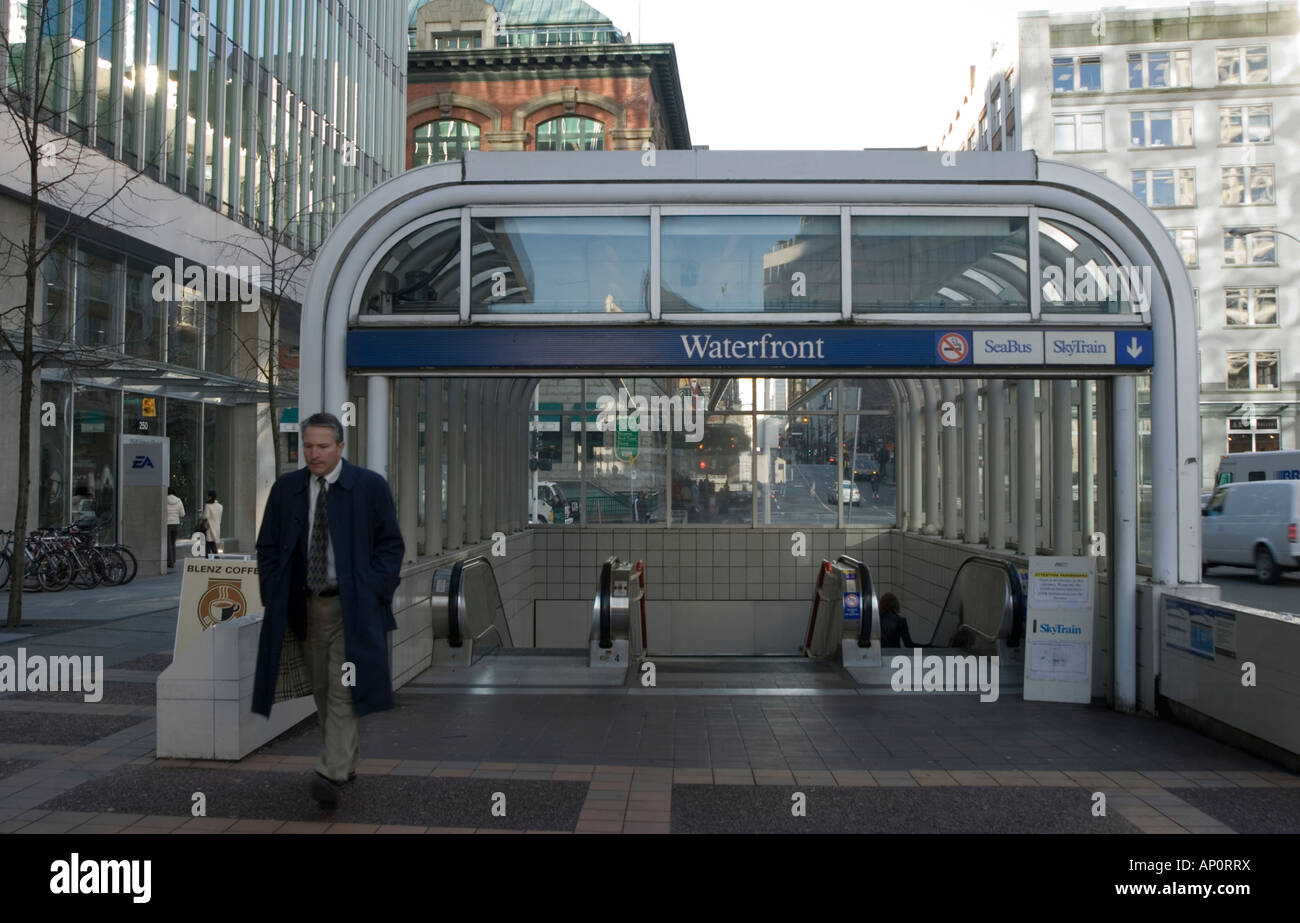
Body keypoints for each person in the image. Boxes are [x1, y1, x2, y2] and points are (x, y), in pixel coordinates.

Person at [252, 412, 405, 809]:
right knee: (322, 688)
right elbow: (267, 546)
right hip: (304, 606)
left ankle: (331, 770)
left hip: (351, 608)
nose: (313, 454)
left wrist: (374, 590)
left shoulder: (368, 487)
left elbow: (391, 545)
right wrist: (273, 591)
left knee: (341, 688)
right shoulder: (287, 489)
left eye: (322, 446)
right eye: (307, 446)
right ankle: (346, 760)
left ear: (340, 447)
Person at [165, 487, 185, 569]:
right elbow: (182, 514)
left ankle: (170, 562)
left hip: (167, 524)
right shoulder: (179, 500)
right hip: (176, 523)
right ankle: (173, 560)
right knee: (173, 543)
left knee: (168, 543)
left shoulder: (164, 499)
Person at [203, 491, 223, 556]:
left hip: (209, 528)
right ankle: (215, 559)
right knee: (212, 543)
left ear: (210, 497)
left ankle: (210, 560)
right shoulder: (220, 506)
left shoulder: (207, 506)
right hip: (217, 528)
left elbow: (205, 517)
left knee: (208, 544)